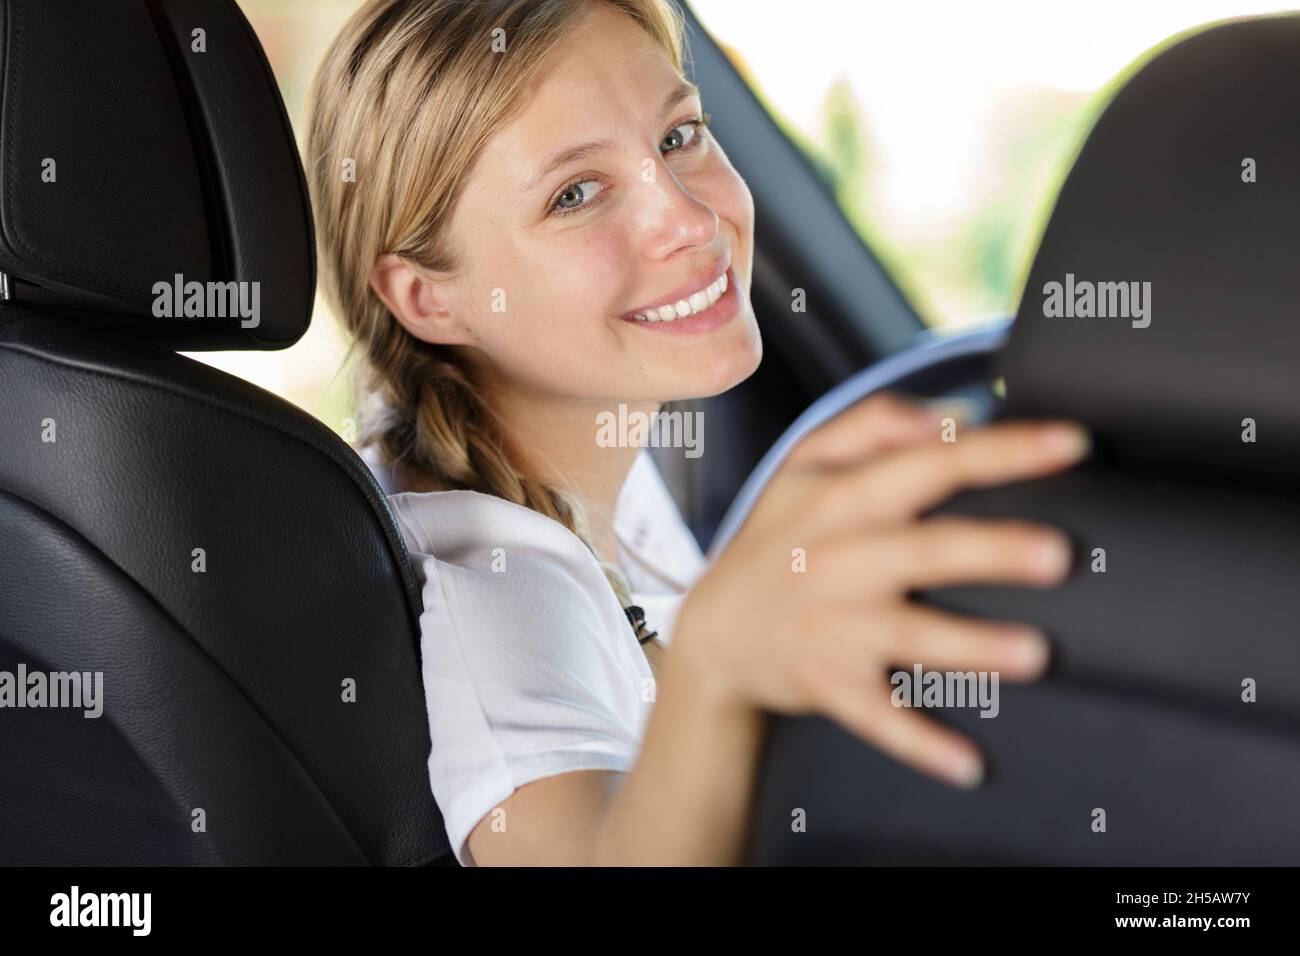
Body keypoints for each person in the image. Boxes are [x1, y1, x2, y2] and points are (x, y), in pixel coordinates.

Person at [306, 0, 1090, 865]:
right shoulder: (492, 587)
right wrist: (715, 664)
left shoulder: (584, 465)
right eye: (574, 193)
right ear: (429, 298)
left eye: (678, 136)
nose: (687, 218)